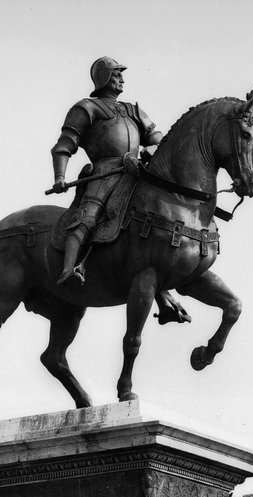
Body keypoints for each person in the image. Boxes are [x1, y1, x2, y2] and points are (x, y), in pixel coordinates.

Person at [49, 57, 189, 323]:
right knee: (88, 218)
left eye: (121, 74)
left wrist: (154, 148)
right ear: (104, 78)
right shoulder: (86, 108)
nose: (122, 78)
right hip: (105, 173)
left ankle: (163, 293)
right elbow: (65, 145)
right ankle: (68, 270)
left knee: (157, 222)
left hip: (136, 172)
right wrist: (60, 176)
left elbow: (156, 137)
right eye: (116, 74)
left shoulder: (133, 110)